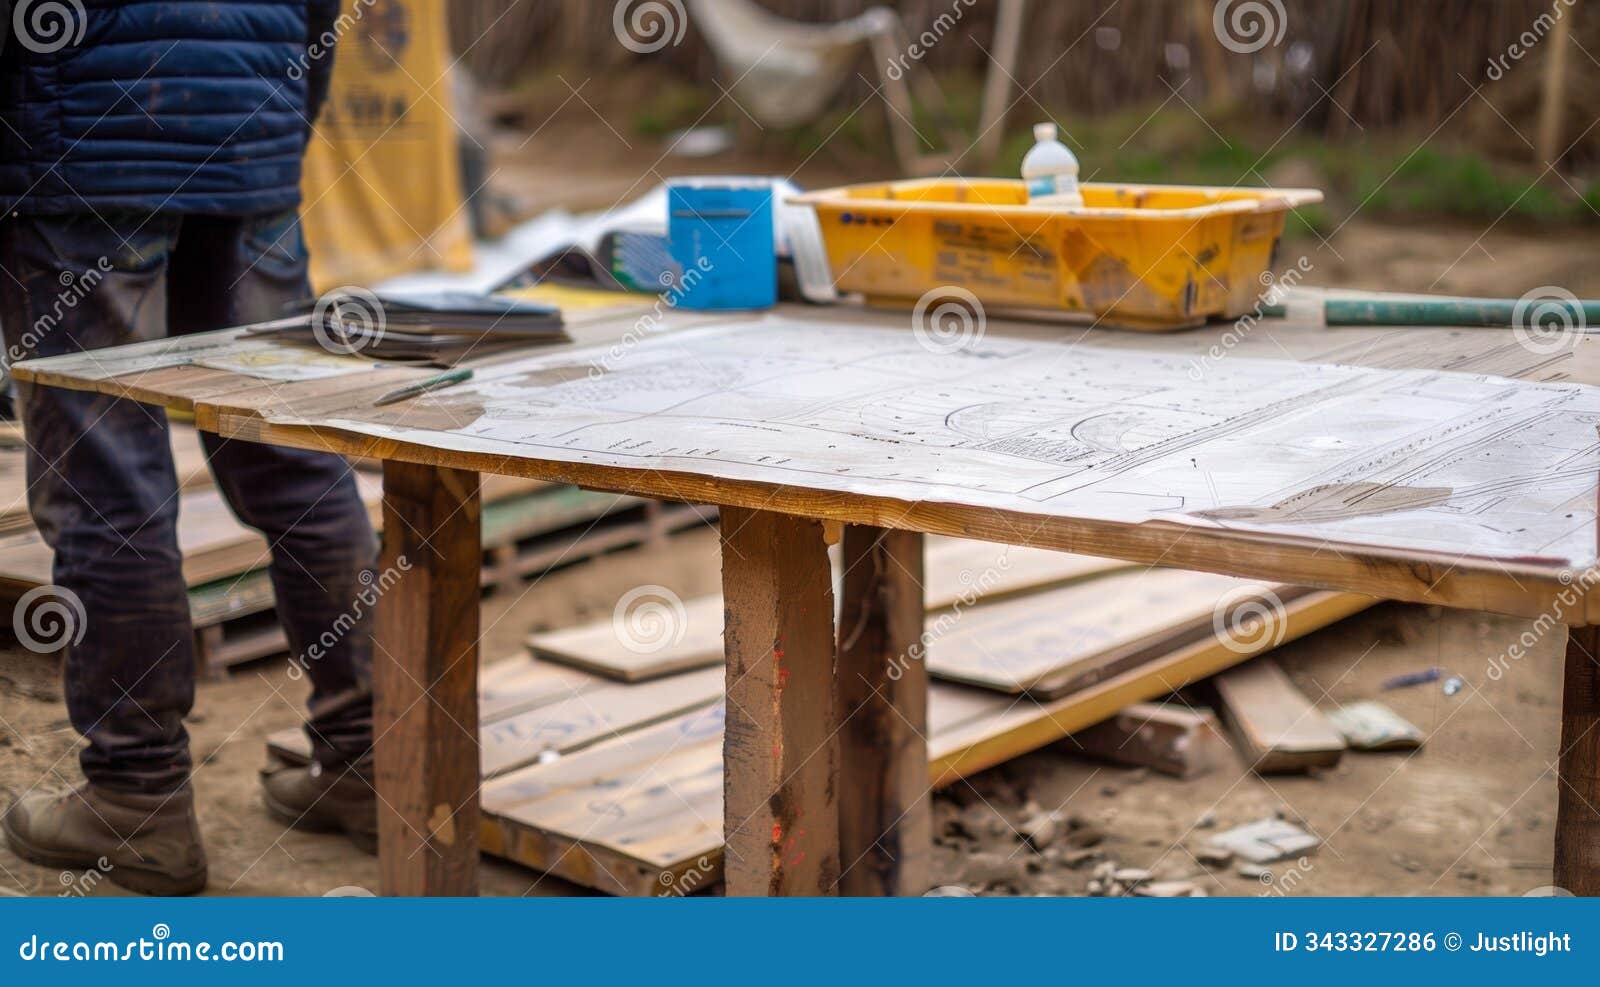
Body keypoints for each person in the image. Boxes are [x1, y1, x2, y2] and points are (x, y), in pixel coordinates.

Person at [0, 0, 380, 895]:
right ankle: (370, 763)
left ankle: (138, 798)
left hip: (82, 150)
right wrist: (274, 130)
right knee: (292, 459)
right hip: (252, 143)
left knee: (108, 480)